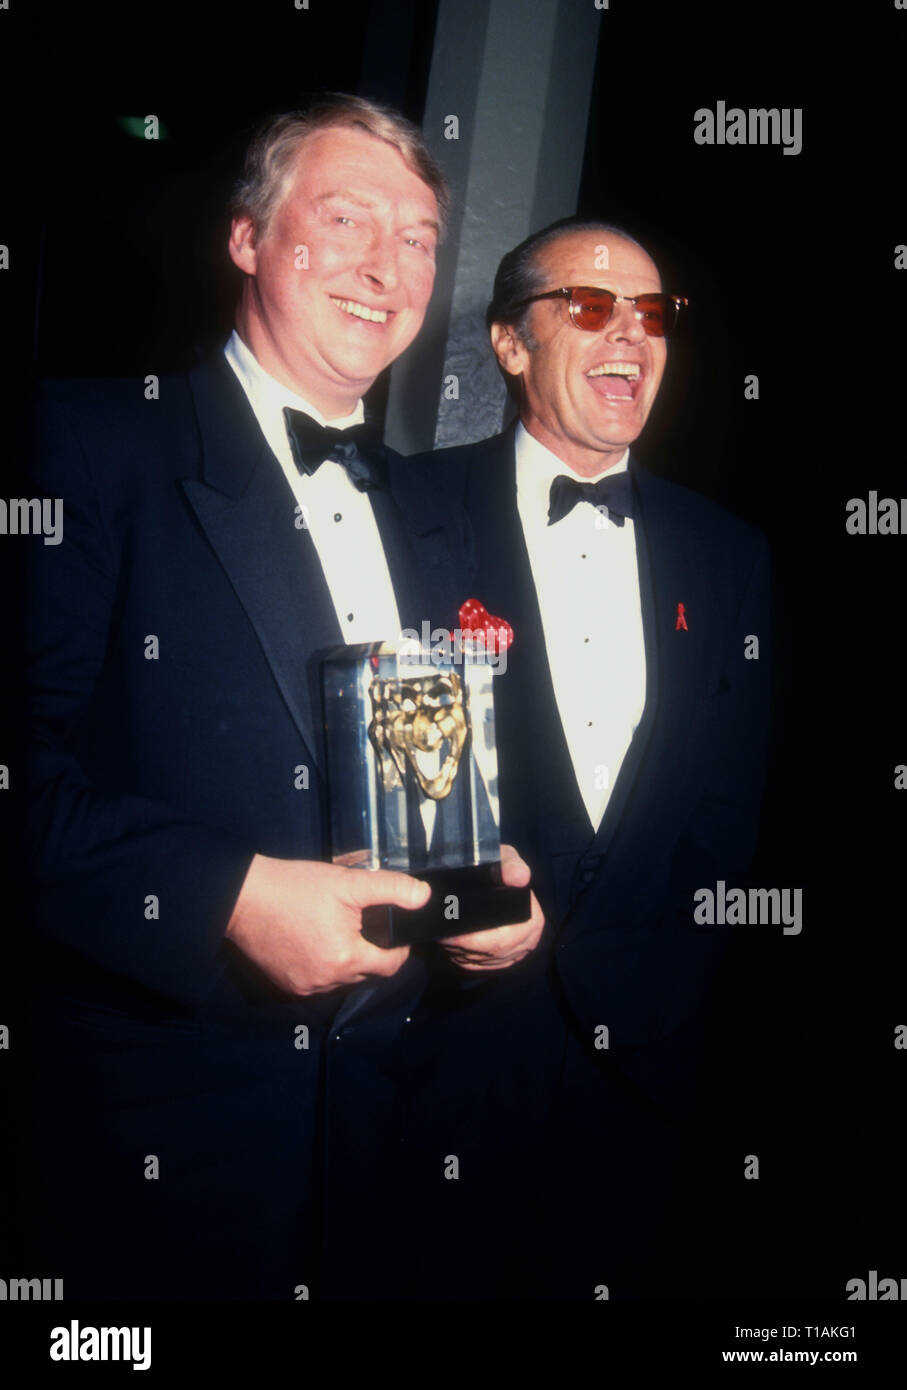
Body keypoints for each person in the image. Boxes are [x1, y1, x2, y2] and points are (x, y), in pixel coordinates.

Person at [20, 95, 543, 1301]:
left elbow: (434, 775)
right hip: (158, 1152)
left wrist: (488, 896)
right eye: (346, 216)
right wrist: (228, 897)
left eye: (417, 236)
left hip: (383, 1154)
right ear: (249, 238)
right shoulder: (86, 443)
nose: (385, 264)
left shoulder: (434, 513)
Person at [403, 218, 772, 1298]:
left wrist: (672, 990)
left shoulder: (729, 551)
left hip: (642, 1077)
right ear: (510, 344)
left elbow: (724, 812)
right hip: (436, 1059)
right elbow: (368, 759)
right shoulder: (402, 506)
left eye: (652, 314)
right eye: (591, 305)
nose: (631, 336)